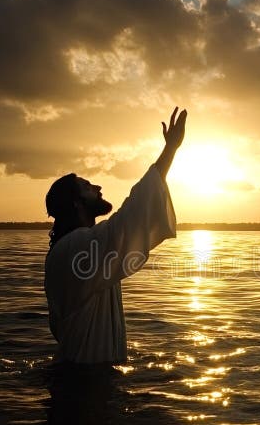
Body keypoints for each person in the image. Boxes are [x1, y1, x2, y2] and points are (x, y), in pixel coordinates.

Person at [44, 107, 187, 364]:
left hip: (81, 378)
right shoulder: (77, 248)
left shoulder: (72, 248)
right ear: (76, 203)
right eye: (87, 187)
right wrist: (170, 150)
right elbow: (131, 216)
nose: (97, 187)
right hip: (83, 383)